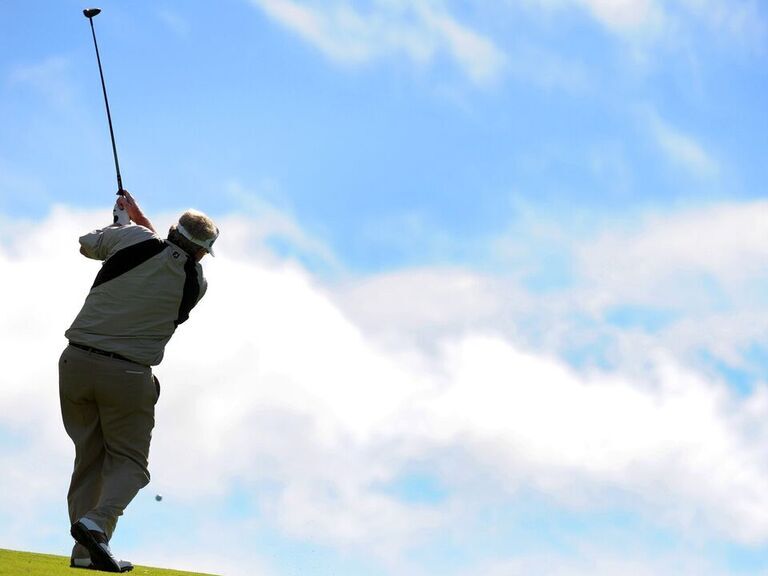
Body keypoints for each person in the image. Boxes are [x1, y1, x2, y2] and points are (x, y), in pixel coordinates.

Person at [59, 191, 219, 572]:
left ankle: (85, 553)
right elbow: (167, 261)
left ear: (171, 230)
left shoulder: (134, 240)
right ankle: (97, 525)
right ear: (202, 253)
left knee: (90, 458)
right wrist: (132, 224)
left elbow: (89, 246)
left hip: (76, 363)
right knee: (131, 464)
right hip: (128, 376)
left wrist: (121, 225)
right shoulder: (195, 283)